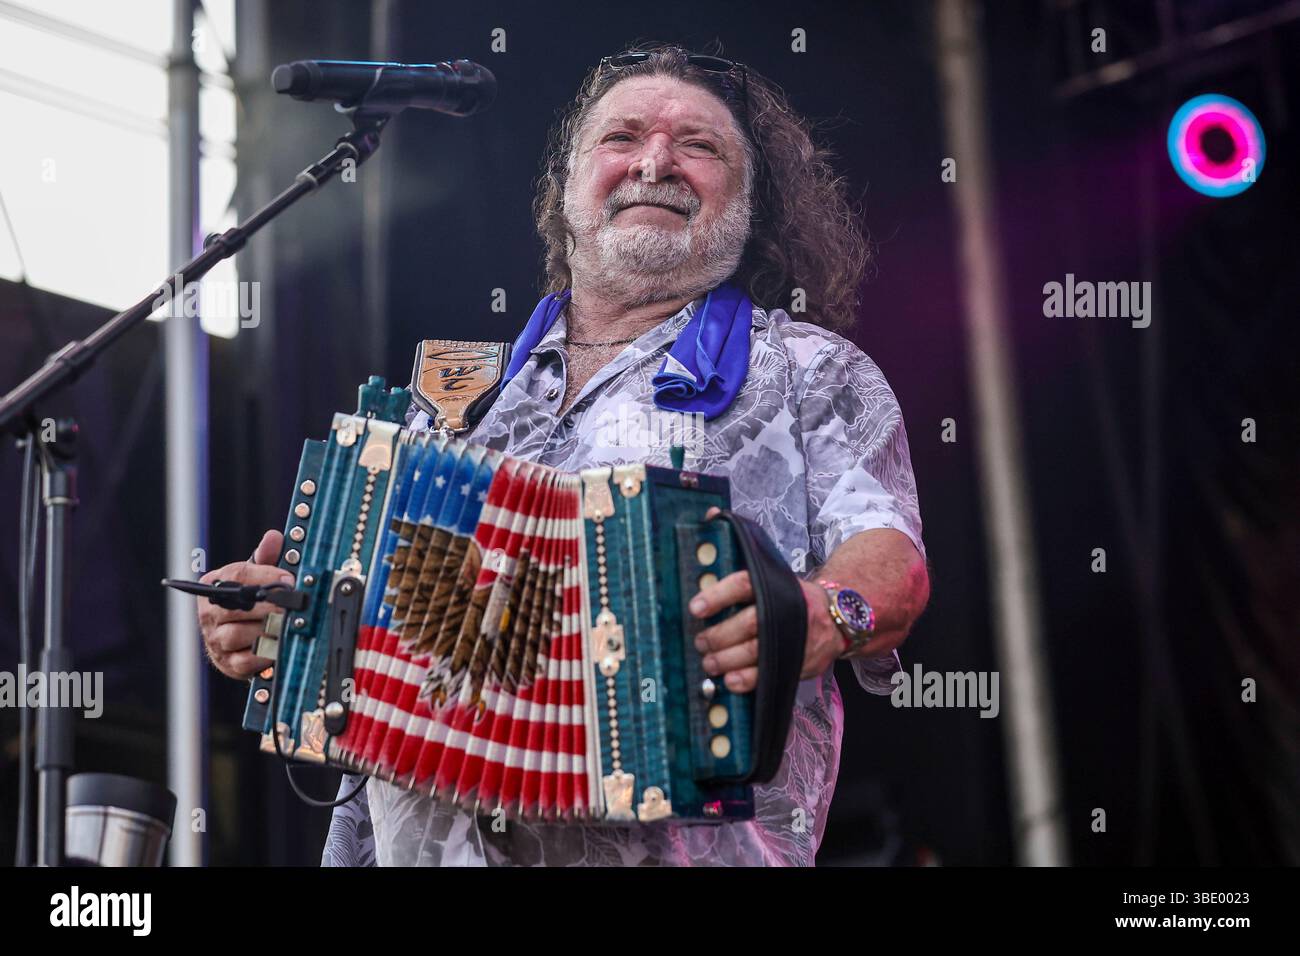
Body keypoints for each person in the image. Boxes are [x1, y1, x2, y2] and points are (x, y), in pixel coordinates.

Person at [197, 44, 930, 866]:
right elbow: (366, 633)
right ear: (567, 187)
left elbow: (892, 567)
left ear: (750, 203)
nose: (655, 161)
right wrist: (278, 624)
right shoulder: (450, 399)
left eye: (699, 146)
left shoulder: (808, 369)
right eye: (621, 138)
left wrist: (822, 615)